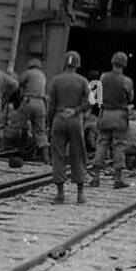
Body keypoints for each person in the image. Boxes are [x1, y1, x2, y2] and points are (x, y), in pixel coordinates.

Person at [47, 50, 90, 203]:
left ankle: (60, 193)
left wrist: (49, 122)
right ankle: (80, 194)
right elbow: (90, 102)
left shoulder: (56, 80)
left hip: (59, 118)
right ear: (78, 65)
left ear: (65, 63)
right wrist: (76, 110)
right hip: (75, 120)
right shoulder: (83, 81)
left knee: (58, 155)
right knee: (78, 154)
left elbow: (51, 105)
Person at [91, 52, 134, 188]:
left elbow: (98, 94)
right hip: (120, 115)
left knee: (101, 144)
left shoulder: (103, 77)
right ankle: (117, 179)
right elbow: (130, 98)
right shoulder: (126, 81)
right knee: (119, 146)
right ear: (124, 64)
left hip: (105, 114)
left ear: (112, 62)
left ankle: (96, 177)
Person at [18, 56, 49, 163]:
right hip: (40, 103)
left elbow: (19, 83)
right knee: (40, 130)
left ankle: (22, 152)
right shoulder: (43, 75)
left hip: (29, 101)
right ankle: (45, 156)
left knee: (23, 126)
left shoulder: (28, 73)